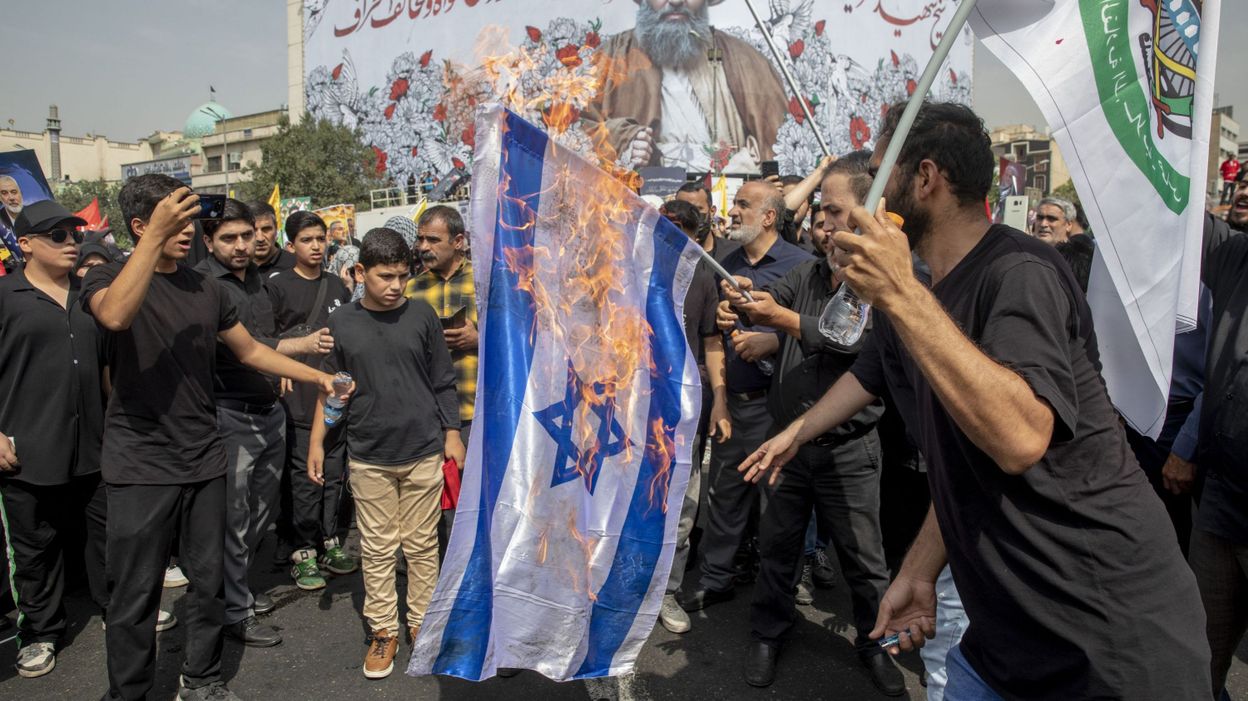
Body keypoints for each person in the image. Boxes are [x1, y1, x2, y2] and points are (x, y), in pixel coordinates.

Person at [740, 102, 1210, 700]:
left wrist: (902, 293)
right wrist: (917, 567)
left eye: (881, 174)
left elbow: (1017, 441)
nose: (861, 203)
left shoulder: (1019, 270)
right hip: (1000, 644)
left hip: (1103, 641)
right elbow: (889, 387)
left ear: (926, 179)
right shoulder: (914, 290)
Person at [82, 174, 350, 701]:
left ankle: (201, 678)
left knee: (209, 584)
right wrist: (152, 241)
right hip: (139, 462)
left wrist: (315, 376)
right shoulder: (108, 278)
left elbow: (250, 351)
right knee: (135, 594)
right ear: (141, 226)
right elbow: (115, 315)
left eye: (190, 221)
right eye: (176, 222)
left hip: (204, 455)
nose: (190, 231)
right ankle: (129, 693)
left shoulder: (205, 286)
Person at [718, 153, 902, 694]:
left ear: (870, 213)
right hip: (788, 445)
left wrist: (783, 321)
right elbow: (771, 299)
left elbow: (849, 339)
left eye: (836, 211)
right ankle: (768, 633)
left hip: (849, 448)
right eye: (821, 213)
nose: (824, 224)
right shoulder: (807, 271)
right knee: (778, 548)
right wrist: (743, 303)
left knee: (865, 562)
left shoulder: (881, 280)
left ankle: (876, 644)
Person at [309, 227, 462, 680]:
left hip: (423, 451)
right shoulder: (341, 324)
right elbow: (330, 391)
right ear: (360, 273)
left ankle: (422, 623)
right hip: (369, 455)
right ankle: (383, 630)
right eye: (384, 276)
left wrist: (452, 434)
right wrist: (317, 442)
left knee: (422, 546)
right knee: (376, 549)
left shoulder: (423, 315)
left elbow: (442, 381)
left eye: (401, 275)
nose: (395, 286)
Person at [196, 199, 337, 648]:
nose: (244, 244)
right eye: (229, 238)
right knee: (234, 519)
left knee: (260, 515)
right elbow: (252, 348)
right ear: (208, 241)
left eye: (249, 235)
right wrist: (303, 351)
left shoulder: (257, 280)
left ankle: (235, 592)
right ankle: (233, 610)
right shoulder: (203, 286)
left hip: (270, 412)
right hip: (230, 414)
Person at [679, 180, 810, 612]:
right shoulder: (722, 264)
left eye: (742, 205)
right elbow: (712, 338)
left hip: (782, 411)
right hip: (735, 404)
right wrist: (719, 397)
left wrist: (772, 342)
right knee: (726, 494)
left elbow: (818, 336)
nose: (731, 212)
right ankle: (717, 578)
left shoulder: (803, 266)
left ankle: (780, 592)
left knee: (778, 506)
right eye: (733, 204)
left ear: (770, 217)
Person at [0, 201, 108, 679]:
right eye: (59, 236)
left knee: (107, 535)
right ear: (24, 244)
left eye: (75, 234)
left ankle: (117, 611)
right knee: (34, 548)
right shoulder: (6, 296)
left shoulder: (92, 295)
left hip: (96, 445)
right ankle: (40, 631)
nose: (72, 243)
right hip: (27, 450)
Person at [586, 0, 787, 172]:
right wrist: (625, 139)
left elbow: (776, 142)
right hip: (644, 200)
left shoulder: (744, 60)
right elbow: (575, 133)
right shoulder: (612, 57)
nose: (675, 1)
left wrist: (744, 164)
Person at [267, 211, 356, 591]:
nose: (317, 245)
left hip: (335, 397)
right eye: (307, 240)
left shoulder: (338, 286)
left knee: (334, 473)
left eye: (321, 238)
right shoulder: (277, 287)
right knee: (306, 476)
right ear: (290, 246)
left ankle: (330, 541)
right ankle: (302, 550)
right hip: (298, 400)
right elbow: (264, 343)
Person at [655, 198, 731, 635]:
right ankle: (621, 593)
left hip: (687, 416)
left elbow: (712, 341)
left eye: (680, 226)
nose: (670, 233)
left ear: (695, 234)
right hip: (636, 416)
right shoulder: (633, 271)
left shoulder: (703, 275)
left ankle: (667, 590)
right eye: (662, 225)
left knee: (682, 509)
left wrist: (720, 399)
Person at [1189, 166, 1248, 699]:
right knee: (1198, 659)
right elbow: (1178, 212)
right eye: (1243, 179)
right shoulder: (1236, 256)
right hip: (1222, 502)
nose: (1245, 190)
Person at [404, 206, 476, 559]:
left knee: (479, 501)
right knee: (436, 502)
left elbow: (522, 338)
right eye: (420, 239)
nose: (422, 246)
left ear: (459, 241)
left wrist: (478, 339)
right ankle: (438, 576)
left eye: (433, 239)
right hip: (430, 416)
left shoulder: (486, 283)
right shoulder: (410, 291)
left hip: (480, 413)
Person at [673, 182, 739, 261]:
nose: (689, 215)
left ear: (712, 212)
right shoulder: (666, 253)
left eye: (696, 209)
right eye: (682, 209)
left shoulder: (734, 253)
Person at [248, 202, 295, 277]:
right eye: (253, 230)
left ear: (276, 229)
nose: (260, 238)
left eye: (266, 229)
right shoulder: (234, 268)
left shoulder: (296, 265)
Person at [0, 174, 26, 271]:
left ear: (21, 194)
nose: (11, 197)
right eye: (4, 193)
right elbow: (2, 252)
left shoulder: (35, 215)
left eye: (14, 192)